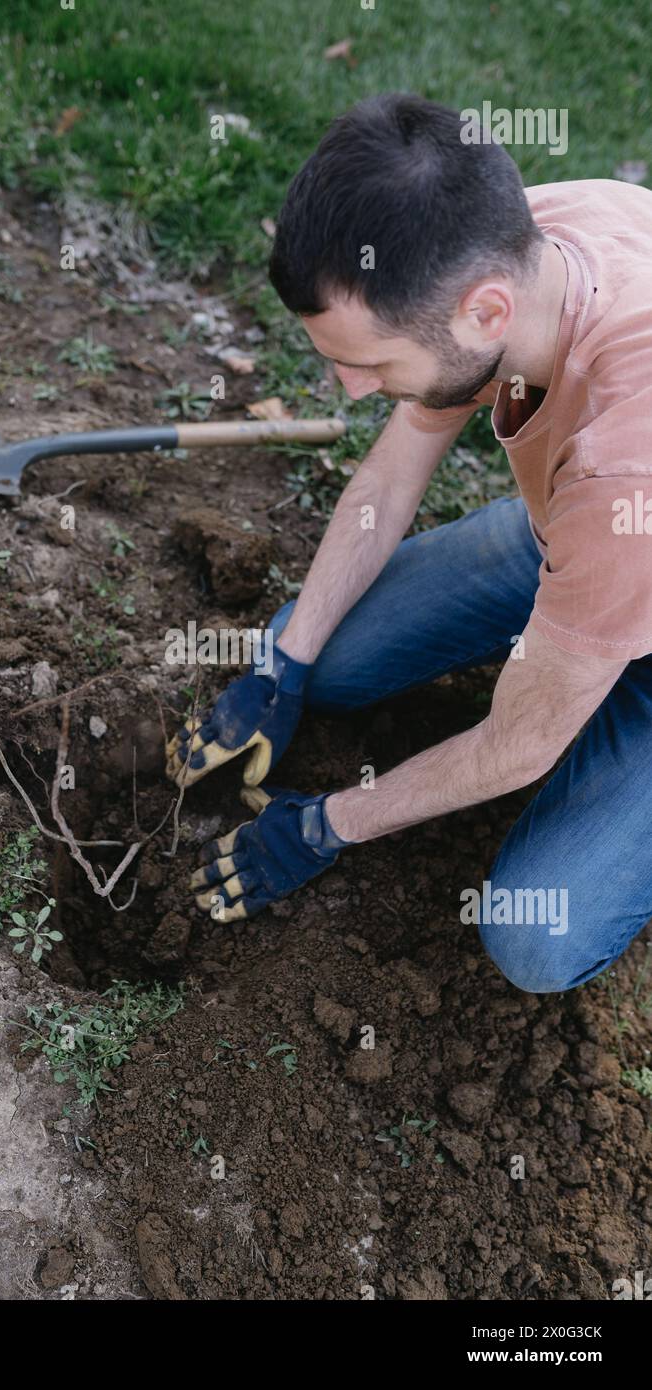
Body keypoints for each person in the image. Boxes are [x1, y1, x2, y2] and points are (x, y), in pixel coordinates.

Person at [165, 92, 652, 994]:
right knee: (330, 655)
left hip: (618, 543)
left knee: (533, 937)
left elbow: (519, 744)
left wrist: (328, 824)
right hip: (579, 539)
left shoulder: (627, 468)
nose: (349, 391)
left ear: (485, 313)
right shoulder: (510, 240)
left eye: (372, 363)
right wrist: (284, 664)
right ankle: (576, 633)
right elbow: (389, 481)